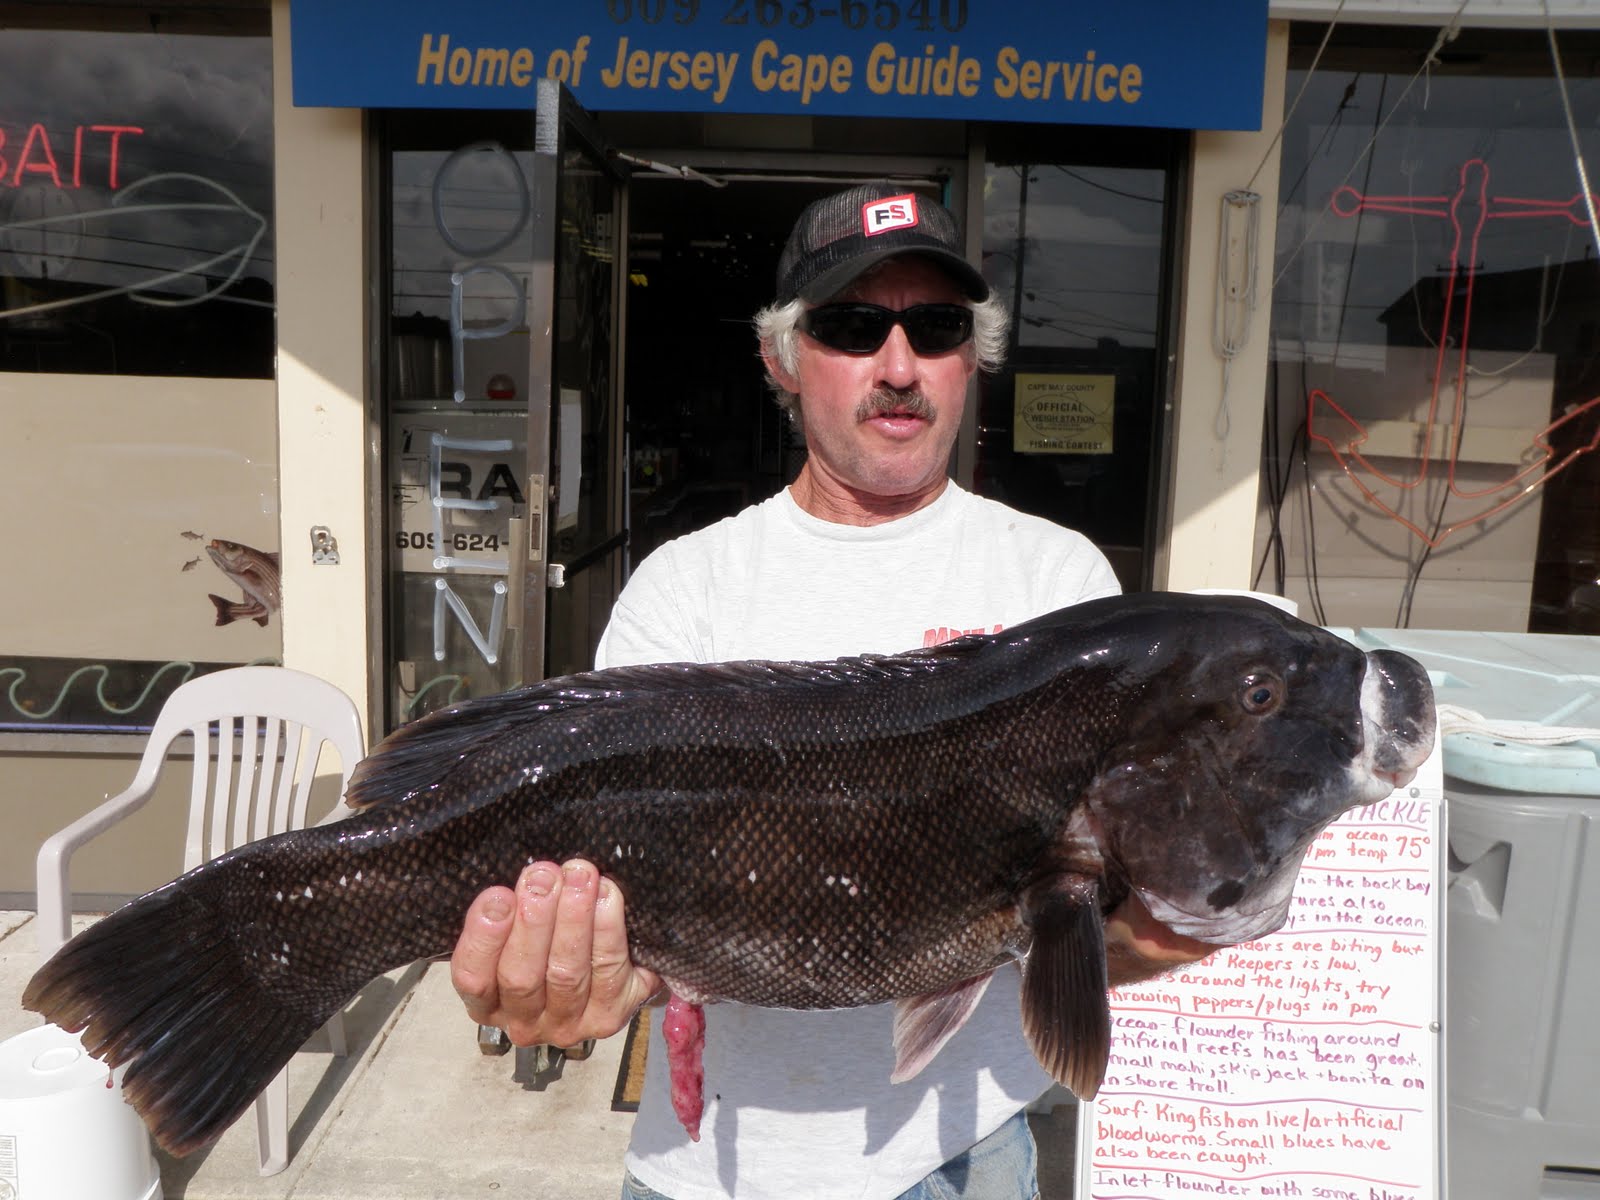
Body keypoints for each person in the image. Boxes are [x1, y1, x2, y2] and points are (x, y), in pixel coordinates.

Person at [449, 183, 1210, 1199]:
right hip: (706, 1171)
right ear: (782, 359)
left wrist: (1172, 921)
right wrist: (562, 979)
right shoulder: (688, 585)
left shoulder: (1058, 585)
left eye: (934, 328)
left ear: (968, 358)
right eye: (853, 327)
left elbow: (1082, 931)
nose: (899, 368)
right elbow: (610, 918)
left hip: (964, 1158)